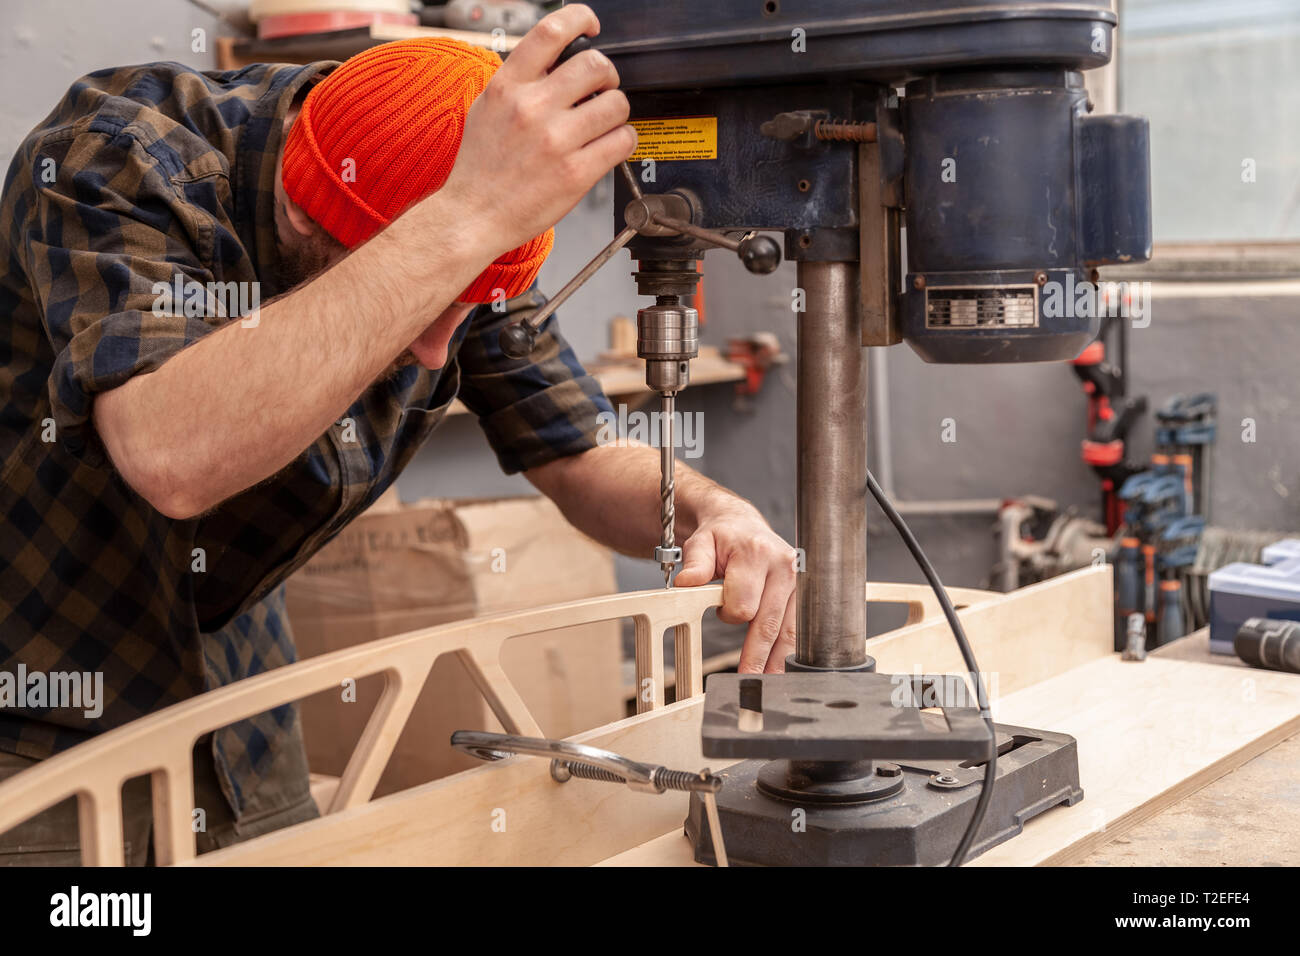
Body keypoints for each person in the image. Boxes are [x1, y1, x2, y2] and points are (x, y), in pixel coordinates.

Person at [0, 5, 796, 863]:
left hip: (236, 702)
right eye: (424, 301)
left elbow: (579, 449)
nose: (437, 348)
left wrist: (718, 514)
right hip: (41, 695)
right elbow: (170, 453)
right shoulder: (123, 154)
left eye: (470, 309)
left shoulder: (463, 228)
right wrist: (461, 224)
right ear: (306, 218)